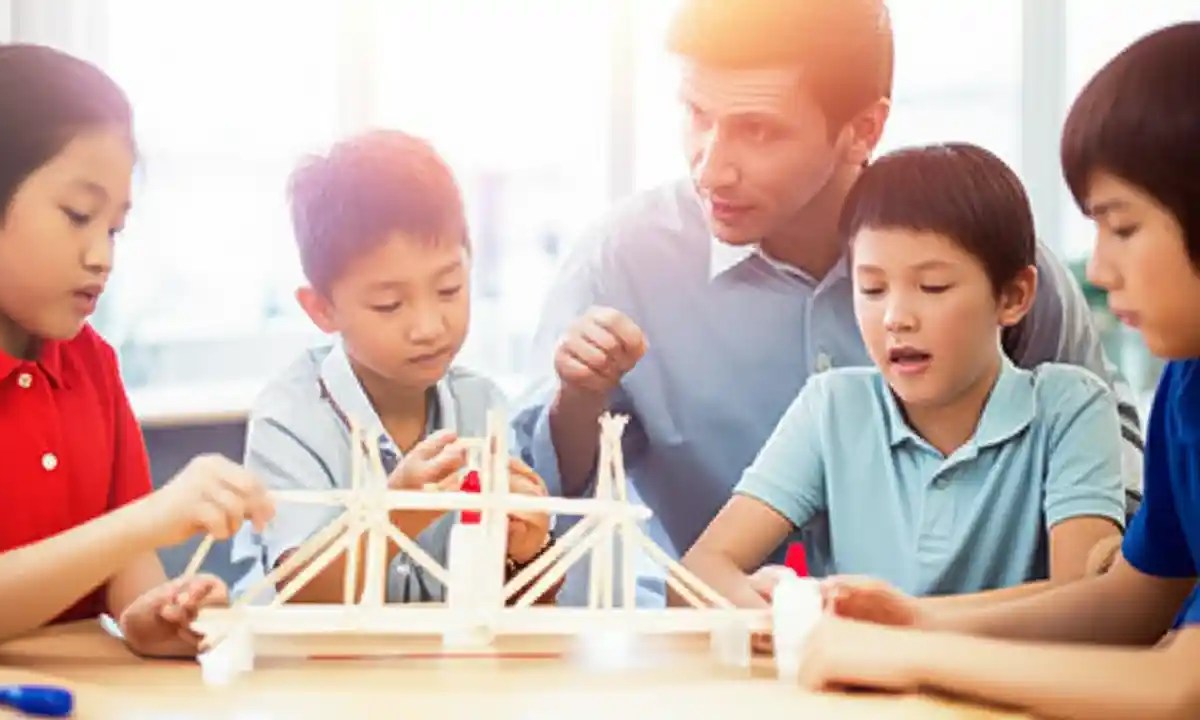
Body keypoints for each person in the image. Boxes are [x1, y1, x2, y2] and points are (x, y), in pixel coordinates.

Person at [511, 0, 1141, 605]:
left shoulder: (986, 253)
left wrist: (1099, 589)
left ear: (862, 128)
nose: (711, 168)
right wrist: (580, 396)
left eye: (757, 131)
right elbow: (534, 501)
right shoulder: (622, 259)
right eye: (697, 114)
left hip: (990, 661)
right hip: (719, 649)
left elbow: (1109, 466)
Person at [794, 23, 1200, 720]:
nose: (1099, 271)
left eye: (1123, 227)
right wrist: (919, 621)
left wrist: (908, 659)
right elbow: (1132, 600)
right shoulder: (1186, 386)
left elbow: (1181, 687)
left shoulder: (1074, 402)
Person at [0, 43, 274, 661]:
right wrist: (146, 520)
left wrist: (159, 615)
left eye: (113, 228)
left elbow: (129, 578)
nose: (101, 256)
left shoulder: (90, 364)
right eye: (77, 215)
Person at [680, 143, 1124, 610]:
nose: (895, 317)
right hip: (853, 678)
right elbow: (697, 573)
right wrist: (778, 606)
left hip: (1008, 682)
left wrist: (895, 620)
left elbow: (1087, 600)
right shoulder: (833, 407)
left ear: (1013, 296)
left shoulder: (1068, 407)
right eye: (871, 288)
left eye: (932, 287)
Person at [231, 130, 560, 604]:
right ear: (321, 309)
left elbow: (519, 606)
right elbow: (302, 592)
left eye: (449, 289)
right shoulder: (290, 418)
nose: (428, 326)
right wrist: (398, 510)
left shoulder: (482, 404)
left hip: (436, 675)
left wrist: (527, 552)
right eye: (389, 304)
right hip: (305, 674)